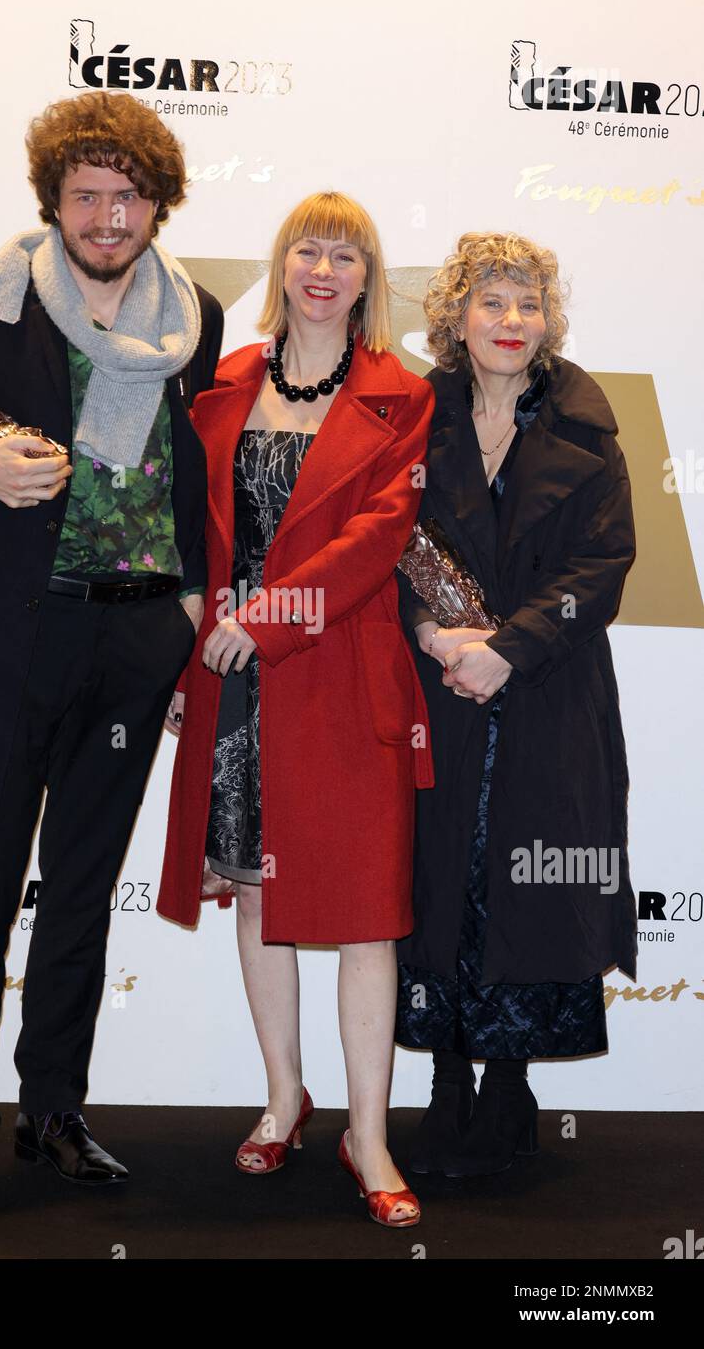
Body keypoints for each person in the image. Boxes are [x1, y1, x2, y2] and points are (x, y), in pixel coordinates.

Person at [0, 90, 223, 1229]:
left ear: (155, 203)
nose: (105, 213)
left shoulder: (197, 316)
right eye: (84, 194)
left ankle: (56, 1108)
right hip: (15, 636)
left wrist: (183, 611)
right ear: (56, 201)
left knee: (81, 888)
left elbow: (196, 470)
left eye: (126, 194)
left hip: (133, 637)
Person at [157, 192, 434, 1228]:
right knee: (262, 896)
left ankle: (369, 1134)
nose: (324, 268)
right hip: (233, 681)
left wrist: (265, 621)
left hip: (343, 672)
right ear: (283, 266)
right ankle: (285, 1093)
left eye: (346, 255)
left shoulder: (402, 396)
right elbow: (192, 529)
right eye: (307, 250)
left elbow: (377, 540)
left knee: (366, 916)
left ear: (368, 278)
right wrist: (198, 655)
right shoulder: (221, 383)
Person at [393, 230, 637, 1177]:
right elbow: (382, 537)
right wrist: (435, 633)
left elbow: (602, 565)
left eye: (527, 303)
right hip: (438, 686)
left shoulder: (586, 427)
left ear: (548, 321)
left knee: (532, 879)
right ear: (455, 315)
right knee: (439, 872)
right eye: (490, 301)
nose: (510, 320)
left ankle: (509, 1090)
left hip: (548, 689)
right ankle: (446, 1086)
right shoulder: (413, 419)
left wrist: (508, 649)